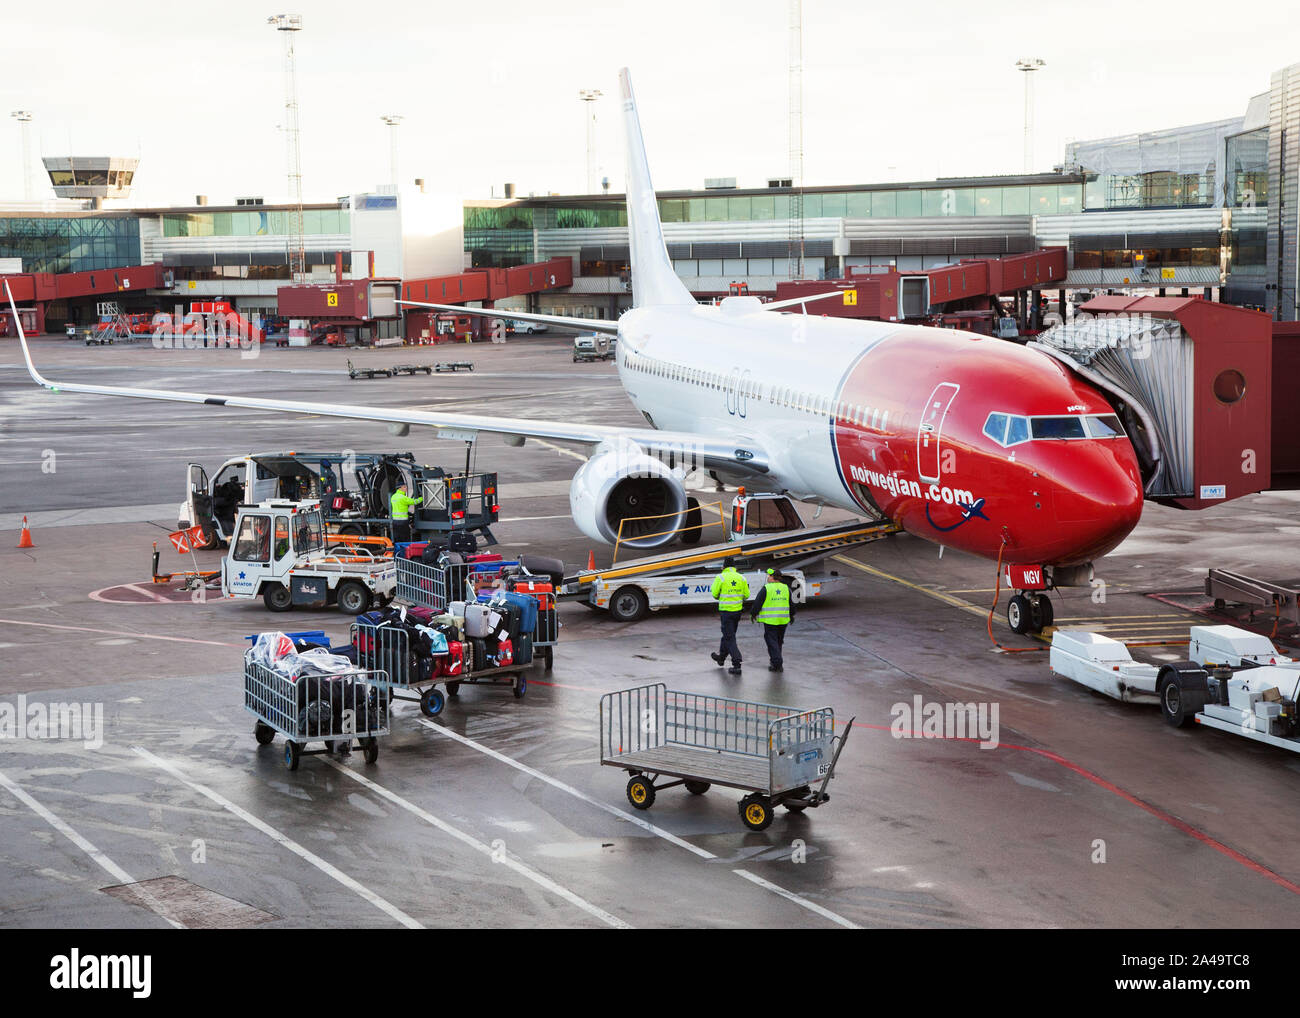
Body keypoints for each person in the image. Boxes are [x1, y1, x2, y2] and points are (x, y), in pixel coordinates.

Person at [709, 558, 749, 675]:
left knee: (729, 637)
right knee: (728, 635)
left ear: (724, 567)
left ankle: (737, 663)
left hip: (726, 612)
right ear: (734, 566)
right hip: (737, 612)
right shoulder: (741, 577)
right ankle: (721, 657)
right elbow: (746, 595)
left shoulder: (720, 577)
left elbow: (714, 594)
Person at [749, 568, 794, 672]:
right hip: (783, 620)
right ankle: (776, 664)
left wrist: (753, 614)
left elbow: (757, 603)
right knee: (778, 641)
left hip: (770, 621)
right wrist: (792, 615)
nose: (768, 578)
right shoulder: (786, 588)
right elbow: (791, 604)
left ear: (773, 577)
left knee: (771, 641)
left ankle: (777, 662)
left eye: (769, 576)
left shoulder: (766, 588)